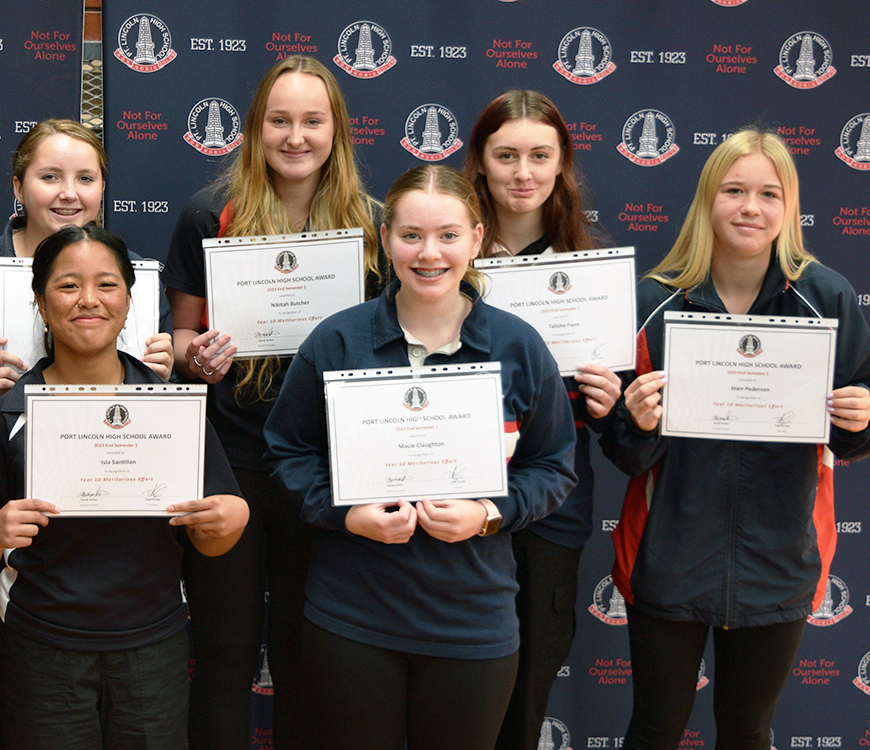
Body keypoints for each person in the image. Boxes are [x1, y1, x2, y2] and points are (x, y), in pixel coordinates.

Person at [264, 165, 577, 750]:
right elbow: (288, 451)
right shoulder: (336, 341)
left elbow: (554, 465)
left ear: (477, 239)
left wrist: (489, 512)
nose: (429, 253)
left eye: (448, 236)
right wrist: (345, 513)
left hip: (472, 622)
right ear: (385, 239)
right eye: (410, 235)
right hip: (352, 617)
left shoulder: (519, 346)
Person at [602, 128, 870, 749]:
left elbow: (852, 433)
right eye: (734, 190)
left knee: (748, 731)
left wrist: (861, 417)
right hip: (666, 557)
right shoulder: (652, 302)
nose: (751, 207)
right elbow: (623, 451)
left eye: (768, 194)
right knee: (653, 727)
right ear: (707, 200)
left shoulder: (824, 296)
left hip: (781, 558)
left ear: (789, 207)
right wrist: (636, 421)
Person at [0, 119, 174, 747]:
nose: (68, 193)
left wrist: (165, 380)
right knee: (17, 708)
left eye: (85, 178)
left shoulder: (126, 279)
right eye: (49, 176)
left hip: (116, 544)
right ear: (17, 185)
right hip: (3, 529)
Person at [0, 223, 248, 750]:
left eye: (107, 285)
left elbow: (212, 540)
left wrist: (232, 519)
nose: (88, 300)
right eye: (67, 285)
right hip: (41, 646)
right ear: (41, 303)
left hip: (153, 645)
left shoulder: (170, 408)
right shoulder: (8, 416)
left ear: (130, 300)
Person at [162, 54, 384, 749]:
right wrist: (195, 356)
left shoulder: (372, 224)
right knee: (225, 653)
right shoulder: (209, 213)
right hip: (232, 456)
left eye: (312, 121)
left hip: (326, 461)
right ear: (255, 130)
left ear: (336, 130)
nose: (296, 136)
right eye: (279, 121)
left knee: (306, 652)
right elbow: (179, 337)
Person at [461, 89, 623, 750]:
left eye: (538, 155)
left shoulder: (592, 277)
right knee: (460, 696)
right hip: (457, 503)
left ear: (562, 165)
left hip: (552, 514)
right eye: (506, 155)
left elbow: (626, 439)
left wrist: (615, 406)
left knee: (525, 698)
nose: (522, 172)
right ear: (480, 161)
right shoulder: (444, 260)